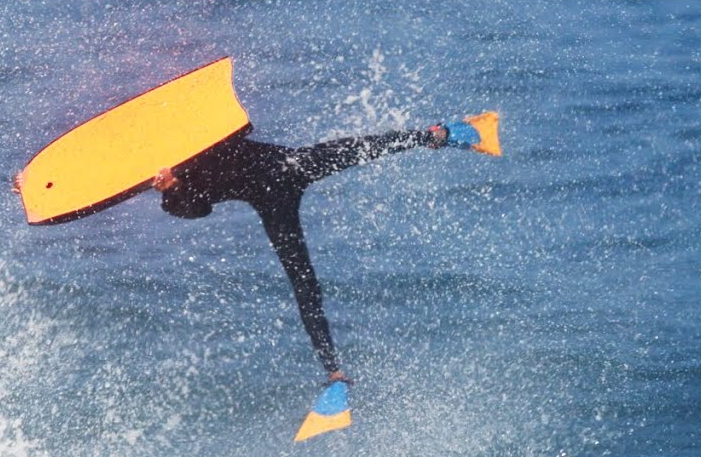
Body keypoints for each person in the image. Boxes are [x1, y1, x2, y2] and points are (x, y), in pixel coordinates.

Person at [153, 117, 488, 386]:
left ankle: (443, 134)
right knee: (304, 283)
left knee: (364, 148)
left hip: (294, 165)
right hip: (272, 203)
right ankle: (333, 372)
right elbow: (197, 211)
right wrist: (171, 188)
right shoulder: (176, 184)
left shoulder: (200, 135)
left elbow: (233, 121)